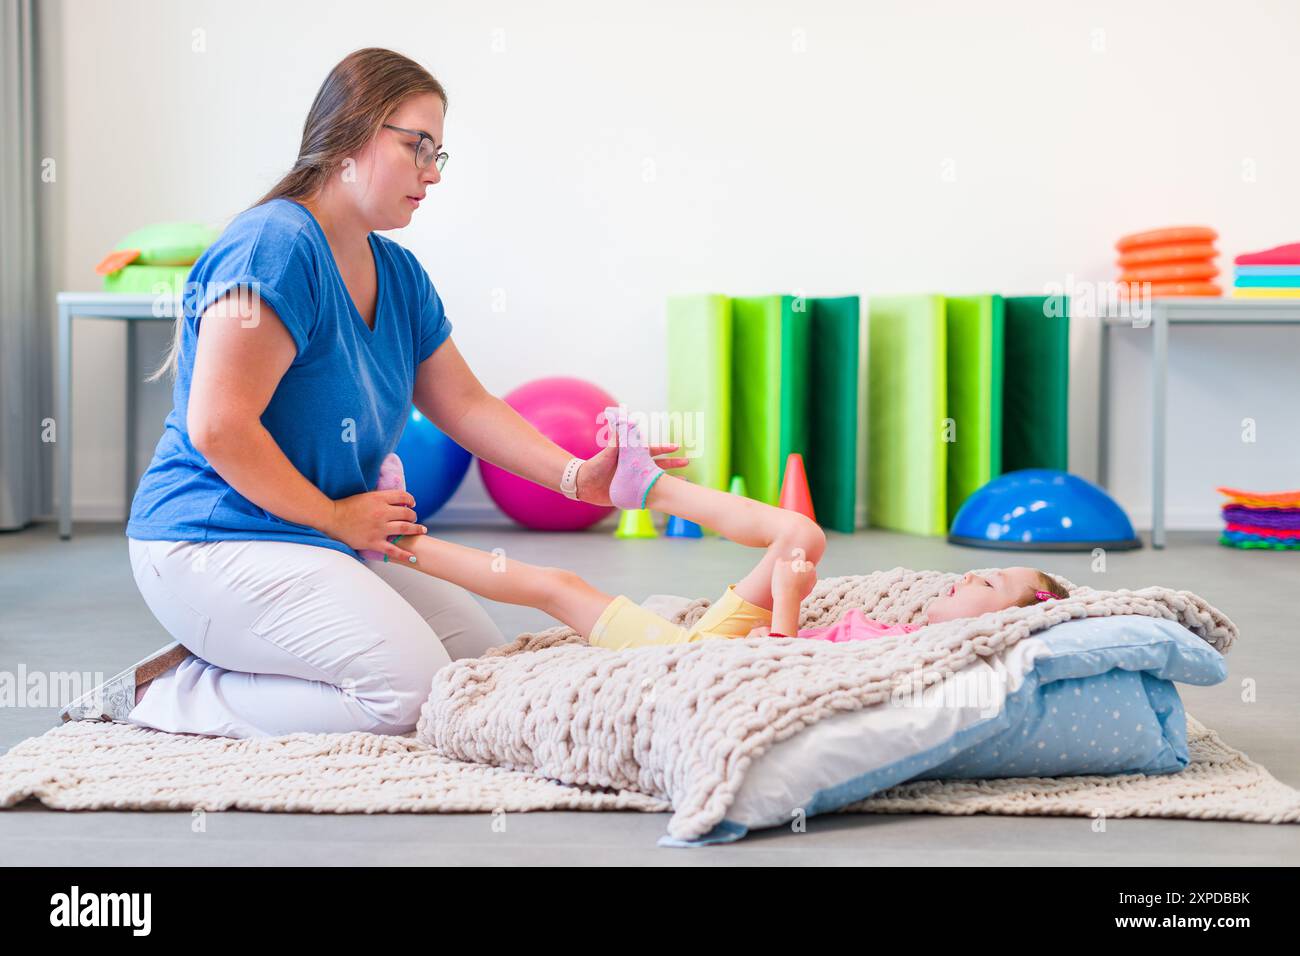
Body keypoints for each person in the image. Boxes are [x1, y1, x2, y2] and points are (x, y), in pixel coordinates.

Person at [58, 49, 686, 738]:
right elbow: (219, 428)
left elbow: (469, 406)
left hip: (313, 538)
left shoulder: (399, 272)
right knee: (408, 696)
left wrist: (576, 478)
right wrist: (333, 516)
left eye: (439, 154)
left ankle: (249, 664)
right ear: (351, 134)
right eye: (417, 146)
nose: (431, 172)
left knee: (472, 667)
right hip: (207, 542)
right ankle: (169, 696)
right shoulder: (274, 245)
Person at [342, 406, 1071, 651]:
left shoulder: (924, 666)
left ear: (1002, 627)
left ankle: (401, 543)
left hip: (708, 661)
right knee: (804, 537)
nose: (975, 572)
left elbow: (785, 689)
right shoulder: (916, 639)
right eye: (989, 568)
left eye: (995, 583)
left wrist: (787, 605)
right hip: (742, 643)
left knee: (552, 584)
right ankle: (650, 487)